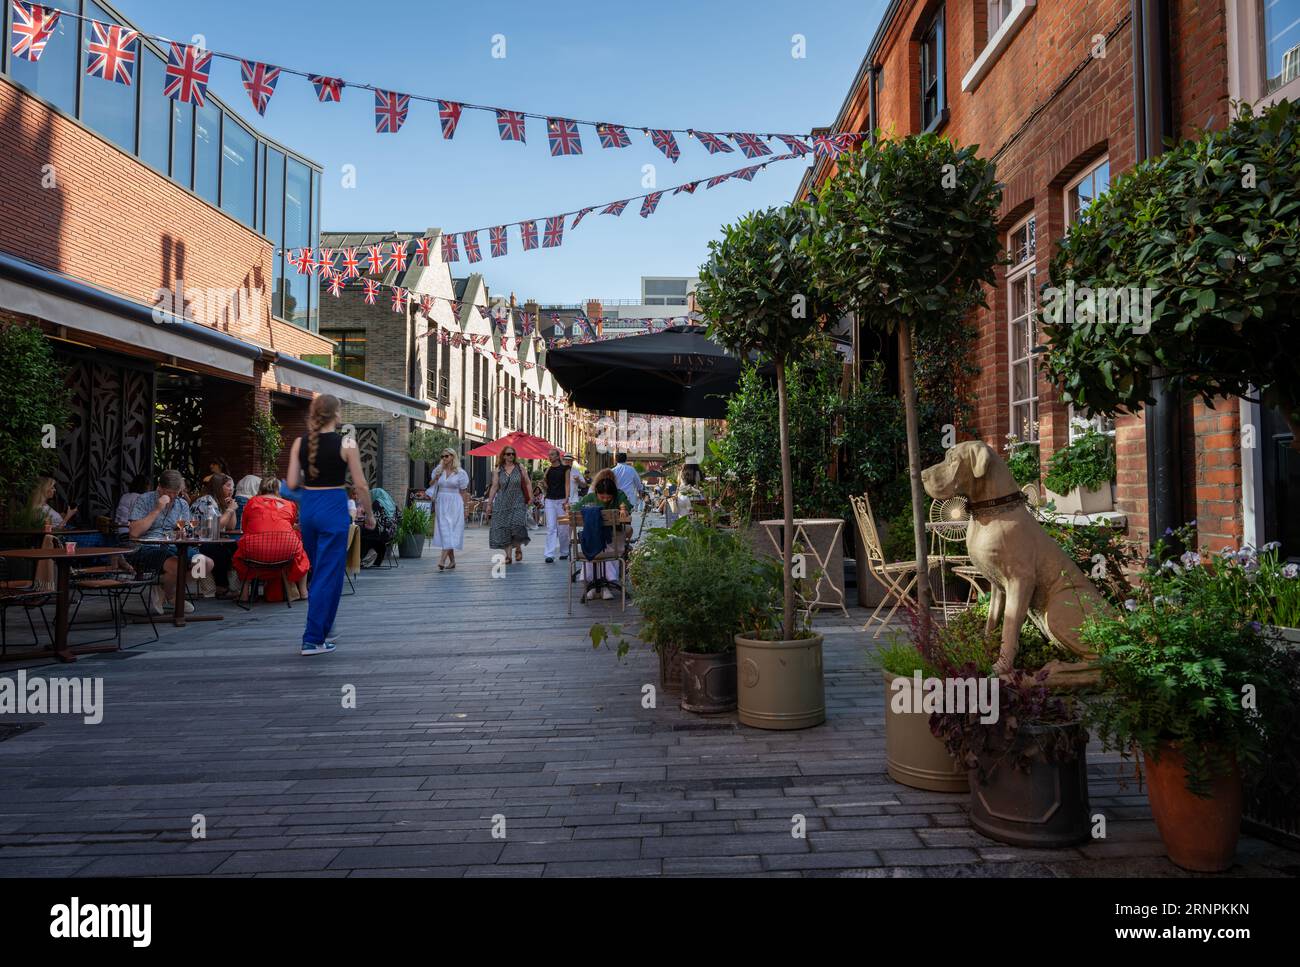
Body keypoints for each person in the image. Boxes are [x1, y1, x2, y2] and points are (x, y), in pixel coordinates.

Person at [283, 394, 375, 657]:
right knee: (329, 575)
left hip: (309, 509)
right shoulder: (346, 441)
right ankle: (313, 638)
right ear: (337, 415)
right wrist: (368, 514)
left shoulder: (300, 441)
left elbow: (290, 484)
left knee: (319, 572)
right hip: (333, 506)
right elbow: (361, 485)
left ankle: (323, 629)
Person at [127, 469, 196, 615]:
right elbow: (134, 533)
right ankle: (172, 596)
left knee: (204, 564)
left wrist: (184, 532)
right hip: (146, 546)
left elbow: (187, 529)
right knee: (176, 566)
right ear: (159, 487)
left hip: (174, 546)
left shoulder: (182, 504)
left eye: (176, 493)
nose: (172, 497)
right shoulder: (144, 499)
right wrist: (157, 509)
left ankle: (163, 589)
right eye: (168, 492)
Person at [232, 477, 311, 602]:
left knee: (240, 557)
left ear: (261, 488)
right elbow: (289, 526)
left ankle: (244, 593)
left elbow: (245, 528)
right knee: (302, 555)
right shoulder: (289, 504)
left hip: (255, 550)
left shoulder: (252, 502)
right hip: (285, 550)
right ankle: (303, 591)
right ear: (279, 489)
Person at [576, 470, 632, 601]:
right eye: (602, 497)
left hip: (601, 539)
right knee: (605, 545)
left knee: (600, 545)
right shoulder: (591, 498)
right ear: (596, 492)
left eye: (608, 497)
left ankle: (597, 585)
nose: (605, 499)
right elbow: (576, 511)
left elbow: (575, 510)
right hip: (604, 538)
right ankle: (600, 585)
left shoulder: (618, 495)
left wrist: (624, 508)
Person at [191, 473, 239, 597]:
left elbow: (230, 527)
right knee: (221, 552)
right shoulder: (207, 500)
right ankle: (221, 586)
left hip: (211, 540)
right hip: (196, 543)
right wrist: (229, 510)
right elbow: (215, 527)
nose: (231, 489)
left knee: (235, 547)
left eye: (232, 487)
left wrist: (231, 508)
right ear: (218, 486)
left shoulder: (218, 501)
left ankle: (232, 586)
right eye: (228, 486)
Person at [485, 445, 532, 565]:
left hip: (518, 500)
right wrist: (489, 503)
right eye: (508, 454)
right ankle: (508, 555)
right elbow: (495, 486)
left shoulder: (520, 467)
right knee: (505, 528)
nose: (511, 456)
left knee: (517, 525)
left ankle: (519, 547)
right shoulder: (498, 470)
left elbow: (527, 483)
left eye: (513, 454)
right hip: (502, 502)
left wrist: (530, 497)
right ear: (503, 456)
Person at [427, 448, 470, 571]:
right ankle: (452, 561)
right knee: (445, 529)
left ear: (452, 457)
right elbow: (430, 484)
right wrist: (436, 477)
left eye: (446, 456)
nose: (444, 458)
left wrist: (465, 508)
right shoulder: (438, 470)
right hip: (441, 502)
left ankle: (442, 560)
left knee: (449, 530)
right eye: (443, 456)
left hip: (455, 503)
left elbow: (464, 492)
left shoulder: (460, 473)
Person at [541, 448, 571, 564]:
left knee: (563, 528)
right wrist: (544, 484)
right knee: (551, 527)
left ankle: (564, 551)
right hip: (549, 500)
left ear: (558, 456)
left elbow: (567, 484)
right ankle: (549, 554)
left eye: (552, 455)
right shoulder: (547, 469)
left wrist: (567, 499)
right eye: (549, 455)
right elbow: (546, 483)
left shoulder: (565, 469)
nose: (550, 456)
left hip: (562, 500)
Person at [359, 487, 397, 567]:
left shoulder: (376, 503)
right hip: (391, 534)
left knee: (360, 532)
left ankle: (360, 558)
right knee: (366, 532)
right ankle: (375, 559)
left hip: (381, 533)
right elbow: (400, 517)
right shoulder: (392, 503)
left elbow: (372, 521)